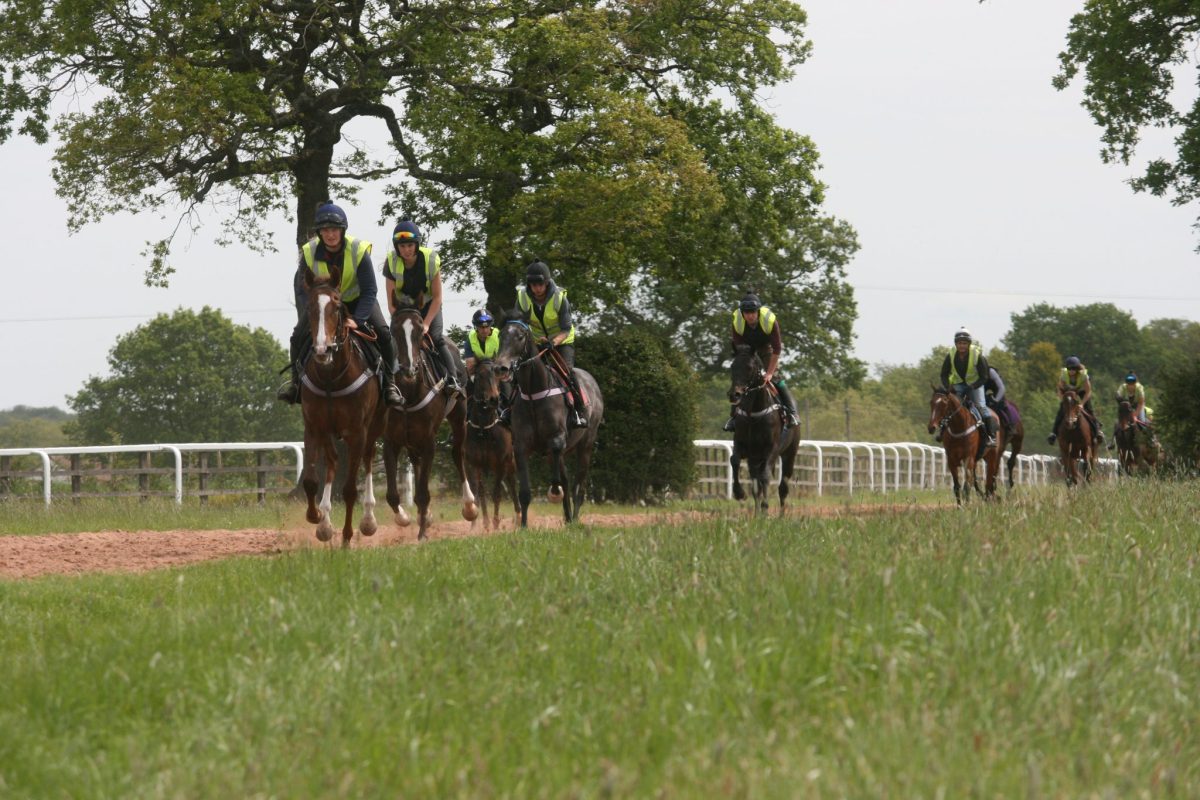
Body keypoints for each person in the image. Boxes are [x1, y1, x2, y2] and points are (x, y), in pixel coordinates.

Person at [276, 202, 404, 407]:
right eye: (325, 230)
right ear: (319, 232)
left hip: (358, 303)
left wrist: (358, 320)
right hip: (323, 307)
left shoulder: (358, 250)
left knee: (383, 333)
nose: (330, 234)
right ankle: (295, 384)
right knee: (297, 336)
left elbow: (370, 290)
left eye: (334, 229)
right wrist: (312, 313)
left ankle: (389, 384)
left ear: (342, 230)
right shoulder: (308, 252)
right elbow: (302, 289)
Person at [382, 220, 465, 394]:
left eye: (410, 245)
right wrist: (397, 319)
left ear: (417, 244)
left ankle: (452, 377)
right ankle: (386, 379)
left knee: (436, 337)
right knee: (392, 339)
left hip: (428, 306)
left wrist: (426, 324)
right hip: (403, 311)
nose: (407, 250)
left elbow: (437, 298)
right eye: (402, 246)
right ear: (397, 247)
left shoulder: (431, 260)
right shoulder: (390, 261)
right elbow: (391, 301)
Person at [515, 260, 588, 428]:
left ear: (547, 282)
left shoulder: (559, 298)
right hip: (535, 342)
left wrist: (552, 342)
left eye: (540, 284)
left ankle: (579, 411)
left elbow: (566, 328)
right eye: (533, 285)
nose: (536, 289)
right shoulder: (522, 297)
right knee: (518, 371)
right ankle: (508, 410)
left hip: (561, 341)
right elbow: (518, 323)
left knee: (567, 372)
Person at [723, 292, 800, 433]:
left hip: (766, 349)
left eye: (752, 312)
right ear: (742, 313)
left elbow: (777, 348)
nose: (750, 316)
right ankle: (733, 418)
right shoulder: (737, 322)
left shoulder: (770, 320)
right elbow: (739, 348)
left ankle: (792, 413)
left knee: (776, 379)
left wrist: (770, 373)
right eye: (746, 313)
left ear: (758, 312)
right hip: (747, 350)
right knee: (739, 382)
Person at [938, 327, 996, 447]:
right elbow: (943, 374)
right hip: (958, 385)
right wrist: (948, 387)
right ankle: (942, 432)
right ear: (956, 344)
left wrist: (972, 387)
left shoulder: (977, 355)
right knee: (948, 405)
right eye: (959, 343)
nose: (962, 346)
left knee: (981, 406)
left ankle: (991, 436)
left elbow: (984, 377)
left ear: (969, 344)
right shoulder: (951, 355)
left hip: (975, 384)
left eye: (964, 343)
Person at [463, 308, 513, 424]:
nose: (484, 330)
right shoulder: (470, 340)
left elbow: (504, 359)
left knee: (507, 390)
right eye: (481, 327)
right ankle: (464, 419)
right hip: (478, 370)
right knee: (465, 390)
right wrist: (474, 377)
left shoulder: (500, 336)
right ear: (476, 327)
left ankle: (510, 417)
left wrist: (498, 375)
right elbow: (470, 363)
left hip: (498, 370)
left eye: (487, 326)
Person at [1047, 355, 1103, 445]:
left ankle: (1097, 431)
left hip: (1082, 393)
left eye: (1074, 368)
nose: (1071, 370)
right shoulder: (1063, 374)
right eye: (1069, 368)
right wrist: (1063, 400)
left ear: (1077, 369)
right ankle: (1053, 433)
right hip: (1069, 393)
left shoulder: (1083, 375)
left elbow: (1088, 391)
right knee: (1061, 411)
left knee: (1089, 410)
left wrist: (1082, 404)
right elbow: (1059, 389)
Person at [1113, 370, 1159, 449]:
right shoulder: (1123, 387)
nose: (1130, 384)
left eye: (1132, 382)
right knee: (1118, 423)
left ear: (1136, 382)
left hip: (1138, 406)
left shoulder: (1140, 388)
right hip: (1127, 406)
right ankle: (1112, 442)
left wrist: (1134, 415)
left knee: (1142, 421)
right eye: (1128, 382)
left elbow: (1141, 403)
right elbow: (1118, 394)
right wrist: (1118, 397)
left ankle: (1151, 439)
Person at [983, 364, 1013, 435]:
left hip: (998, 390)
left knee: (1001, 405)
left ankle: (1010, 426)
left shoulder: (991, 371)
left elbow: (1002, 388)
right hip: (984, 391)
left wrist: (996, 400)